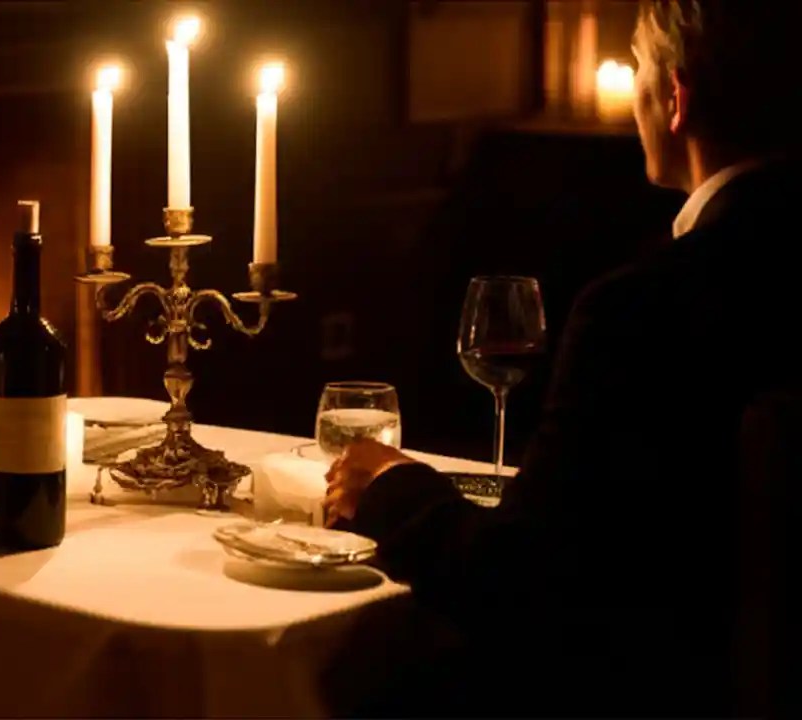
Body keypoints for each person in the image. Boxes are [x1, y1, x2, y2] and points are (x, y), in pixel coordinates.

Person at [324, 0, 797, 716]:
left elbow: (521, 580)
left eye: (638, 68)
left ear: (676, 98)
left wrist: (391, 487)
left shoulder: (643, 309)